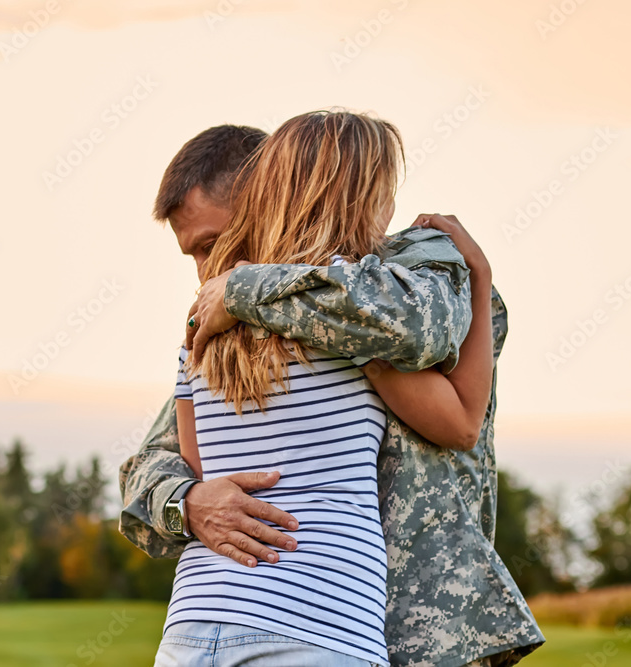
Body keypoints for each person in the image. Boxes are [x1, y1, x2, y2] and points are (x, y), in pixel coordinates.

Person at [119, 121, 544, 666]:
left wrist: (250, 291)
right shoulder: (230, 332)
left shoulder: (411, 267)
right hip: (306, 624)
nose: (206, 272)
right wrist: (190, 502)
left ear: (265, 203)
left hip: (424, 633)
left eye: (210, 245)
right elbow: (151, 470)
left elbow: (416, 330)